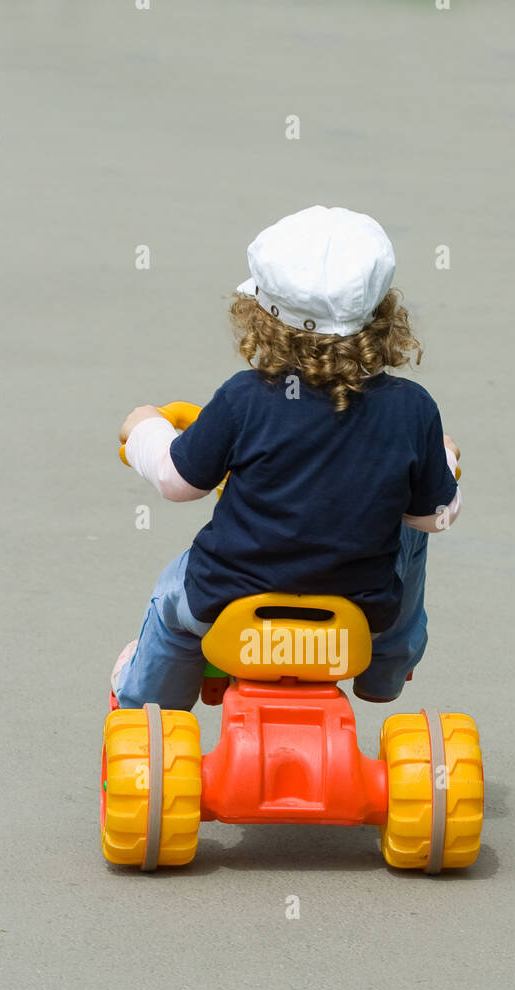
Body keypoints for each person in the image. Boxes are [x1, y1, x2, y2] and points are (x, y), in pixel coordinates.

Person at [113, 204, 461, 712]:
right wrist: (443, 459)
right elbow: (435, 516)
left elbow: (176, 479)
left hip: (229, 601)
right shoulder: (413, 409)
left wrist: (145, 427)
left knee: (171, 603)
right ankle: (387, 664)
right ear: (384, 317)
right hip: (358, 615)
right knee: (408, 528)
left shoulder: (242, 399)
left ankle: (145, 703)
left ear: (261, 317)